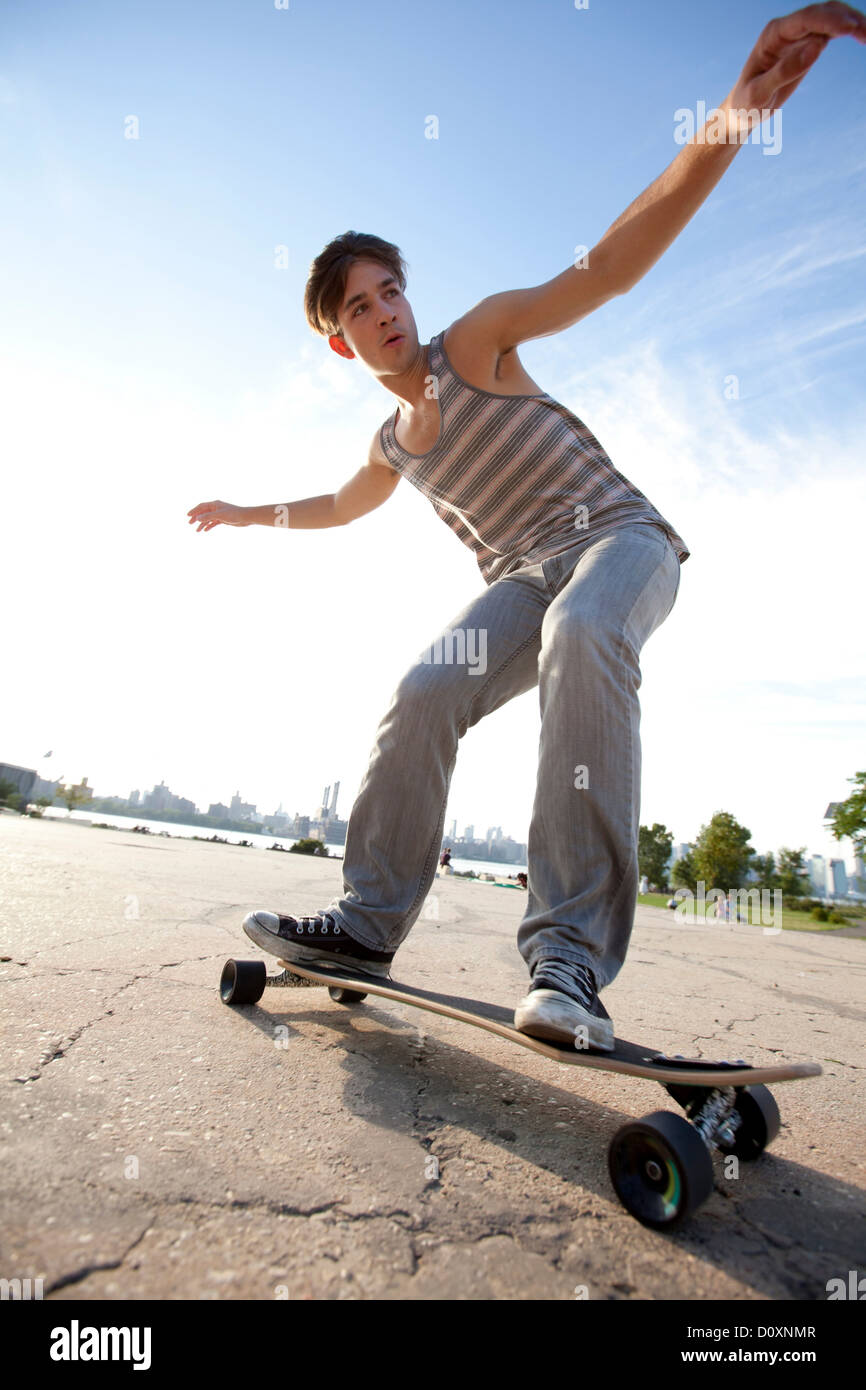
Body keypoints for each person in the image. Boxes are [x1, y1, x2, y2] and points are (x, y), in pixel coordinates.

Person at [188, 5, 866, 1051]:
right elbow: (336, 507)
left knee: (580, 633)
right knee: (421, 691)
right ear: (337, 340)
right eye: (360, 309)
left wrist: (735, 111)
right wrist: (247, 511)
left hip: (617, 541)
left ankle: (568, 959)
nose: (386, 313)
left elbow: (606, 266)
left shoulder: (480, 339)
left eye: (390, 290)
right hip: (519, 576)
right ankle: (366, 925)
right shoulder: (390, 444)